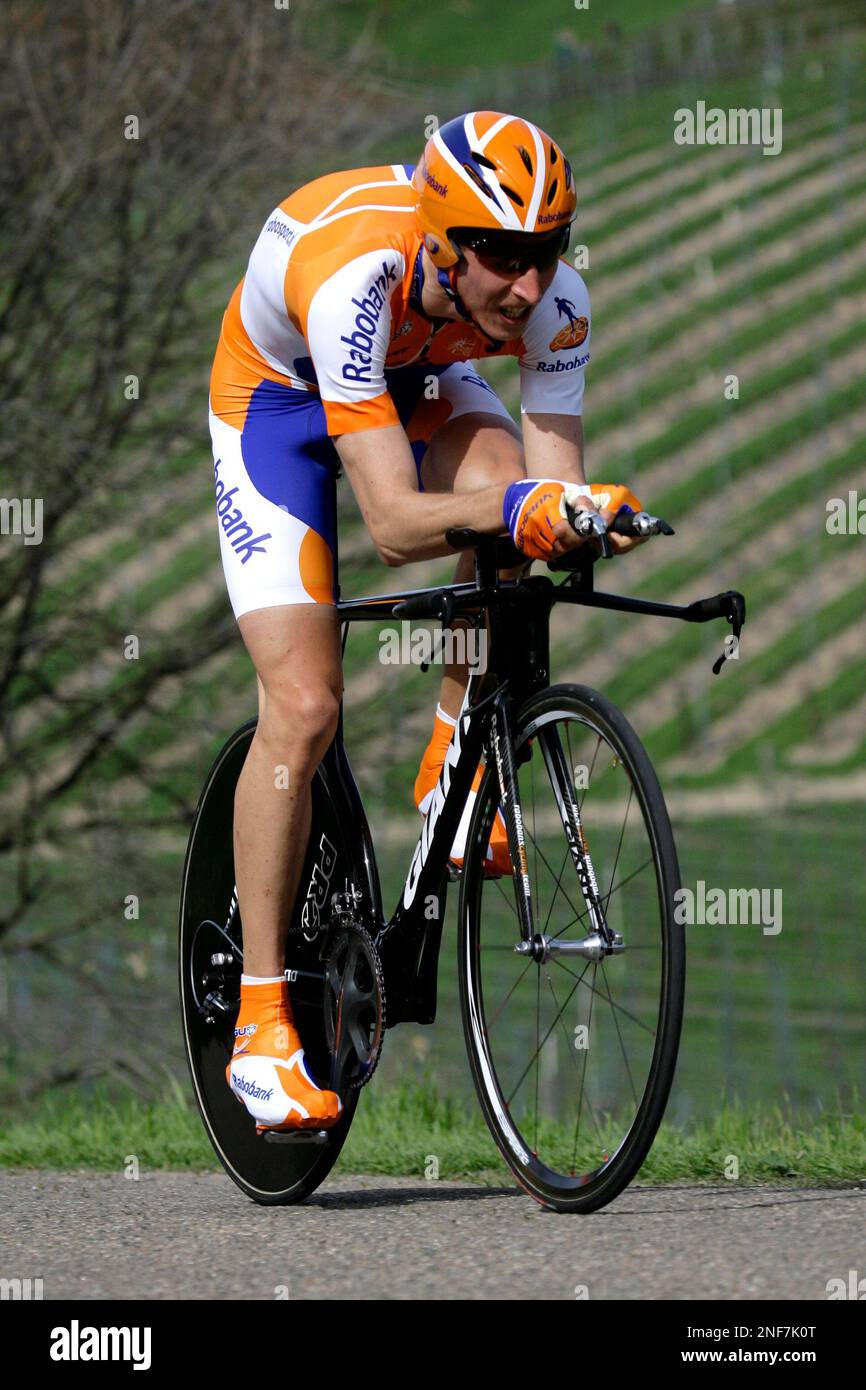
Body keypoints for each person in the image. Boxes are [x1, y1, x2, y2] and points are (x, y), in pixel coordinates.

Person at [208, 110, 640, 1133]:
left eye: (546, 254)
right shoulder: (359, 270)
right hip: (276, 405)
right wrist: (514, 509)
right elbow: (396, 525)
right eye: (499, 259)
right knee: (305, 709)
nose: (527, 287)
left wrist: (578, 519)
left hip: (415, 381)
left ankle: (456, 756)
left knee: (516, 509)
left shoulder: (549, 305)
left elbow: (549, 492)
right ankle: (261, 1022)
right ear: (440, 242)